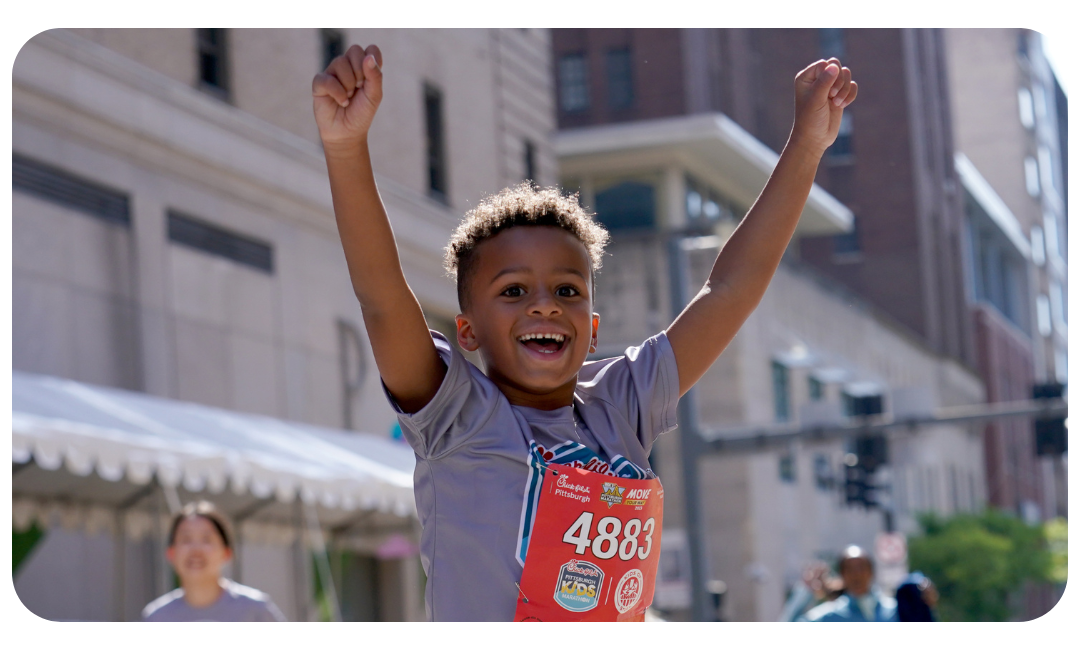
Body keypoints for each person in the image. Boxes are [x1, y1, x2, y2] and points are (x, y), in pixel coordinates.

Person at [312, 44, 857, 621]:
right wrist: (346, 148)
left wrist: (807, 144)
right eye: (513, 291)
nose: (544, 306)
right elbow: (380, 295)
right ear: (467, 332)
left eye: (567, 291)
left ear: (593, 330)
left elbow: (728, 291)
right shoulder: (457, 415)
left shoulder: (623, 402)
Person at [142, 501, 286, 622]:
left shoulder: (256, 609)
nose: (196, 549)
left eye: (206, 539)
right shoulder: (156, 617)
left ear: (226, 552)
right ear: (171, 553)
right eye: (186, 540)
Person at [799, 545, 898, 622]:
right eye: (849, 569)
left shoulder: (895, 610)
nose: (856, 574)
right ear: (841, 575)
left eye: (861, 568)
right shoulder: (829, 615)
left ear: (871, 571)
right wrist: (807, 592)